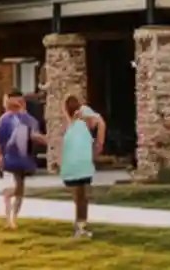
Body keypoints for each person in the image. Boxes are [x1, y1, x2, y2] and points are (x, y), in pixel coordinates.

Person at [0, 90, 46, 230]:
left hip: (23, 158)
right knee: (14, 187)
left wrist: (47, 140)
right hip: (9, 158)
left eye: (20, 101)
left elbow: (34, 134)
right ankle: (9, 217)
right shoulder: (5, 119)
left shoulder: (28, 119)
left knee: (20, 190)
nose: (18, 104)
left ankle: (13, 218)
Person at [59, 95, 104, 238]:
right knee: (80, 197)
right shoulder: (71, 122)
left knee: (81, 196)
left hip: (80, 162)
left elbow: (100, 122)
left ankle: (81, 226)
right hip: (75, 163)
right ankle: (80, 225)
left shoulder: (83, 113)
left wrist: (99, 143)